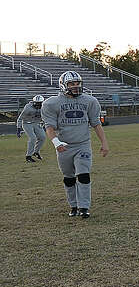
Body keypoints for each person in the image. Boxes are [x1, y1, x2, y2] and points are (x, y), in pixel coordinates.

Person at [42, 72, 109, 218]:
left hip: (82, 144)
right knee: (69, 177)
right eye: (72, 84)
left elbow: (96, 123)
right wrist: (56, 142)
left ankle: (84, 207)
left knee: (83, 174)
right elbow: (49, 127)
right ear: (63, 85)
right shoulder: (52, 103)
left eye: (77, 83)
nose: (76, 86)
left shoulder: (89, 101)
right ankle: (73, 205)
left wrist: (104, 143)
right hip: (64, 145)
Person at [18, 95, 47, 162]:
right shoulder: (28, 107)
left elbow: (45, 116)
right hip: (27, 123)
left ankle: (36, 152)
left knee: (42, 137)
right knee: (33, 138)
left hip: (36, 123)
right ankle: (28, 156)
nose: (38, 105)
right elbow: (20, 118)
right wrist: (18, 128)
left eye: (40, 103)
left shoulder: (44, 107)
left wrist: (45, 123)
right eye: (37, 103)